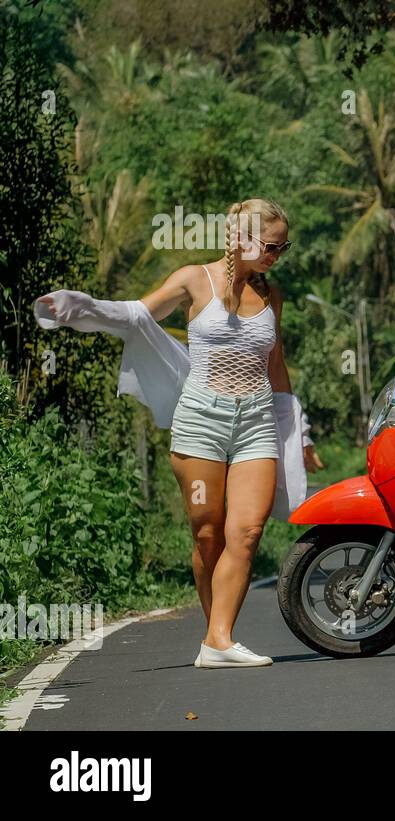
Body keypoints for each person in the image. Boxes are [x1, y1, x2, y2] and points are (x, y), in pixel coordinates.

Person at [40, 197, 307, 668]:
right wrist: (81, 309)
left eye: (283, 248)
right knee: (208, 533)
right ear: (243, 239)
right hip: (201, 422)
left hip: (257, 424)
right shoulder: (193, 279)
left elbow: (276, 364)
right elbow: (137, 316)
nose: (276, 256)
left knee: (245, 532)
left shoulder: (271, 295)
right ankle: (215, 635)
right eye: (270, 246)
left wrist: (298, 431)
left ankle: (219, 640)